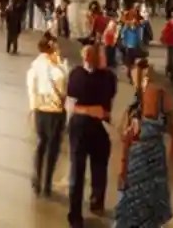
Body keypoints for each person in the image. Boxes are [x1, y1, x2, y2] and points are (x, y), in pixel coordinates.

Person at [114, 58, 173, 228]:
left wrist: (122, 169)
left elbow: (124, 137)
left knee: (133, 206)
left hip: (139, 159)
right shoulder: (161, 96)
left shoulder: (137, 103)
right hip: (154, 158)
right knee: (152, 205)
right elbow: (172, 130)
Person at [66, 45, 116, 228]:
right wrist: (96, 111)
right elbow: (108, 103)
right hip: (100, 126)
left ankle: (75, 215)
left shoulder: (76, 75)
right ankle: (97, 201)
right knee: (99, 166)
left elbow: (70, 105)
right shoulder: (109, 78)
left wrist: (86, 110)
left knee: (77, 171)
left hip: (79, 126)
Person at [26, 32, 68, 197]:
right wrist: (62, 66)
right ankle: (47, 182)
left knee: (41, 143)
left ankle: (37, 175)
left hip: (40, 110)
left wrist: (32, 108)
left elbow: (31, 88)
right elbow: (64, 87)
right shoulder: (57, 66)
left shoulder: (35, 65)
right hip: (55, 111)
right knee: (53, 147)